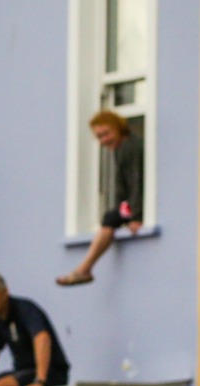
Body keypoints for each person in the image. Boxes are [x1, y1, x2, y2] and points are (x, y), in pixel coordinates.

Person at [58, 111, 144, 286]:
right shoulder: (120, 149)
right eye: (99, 137)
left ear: (118, 128)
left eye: (106, 134)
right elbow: (123, 187)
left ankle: (84, 268)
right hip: (130, 205)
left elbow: (137, 181)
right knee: (111, 216)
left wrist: (135, 217)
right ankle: (84, 268)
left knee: (110, 218)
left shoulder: (130, 147)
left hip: (137, 206)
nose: (104, 140)